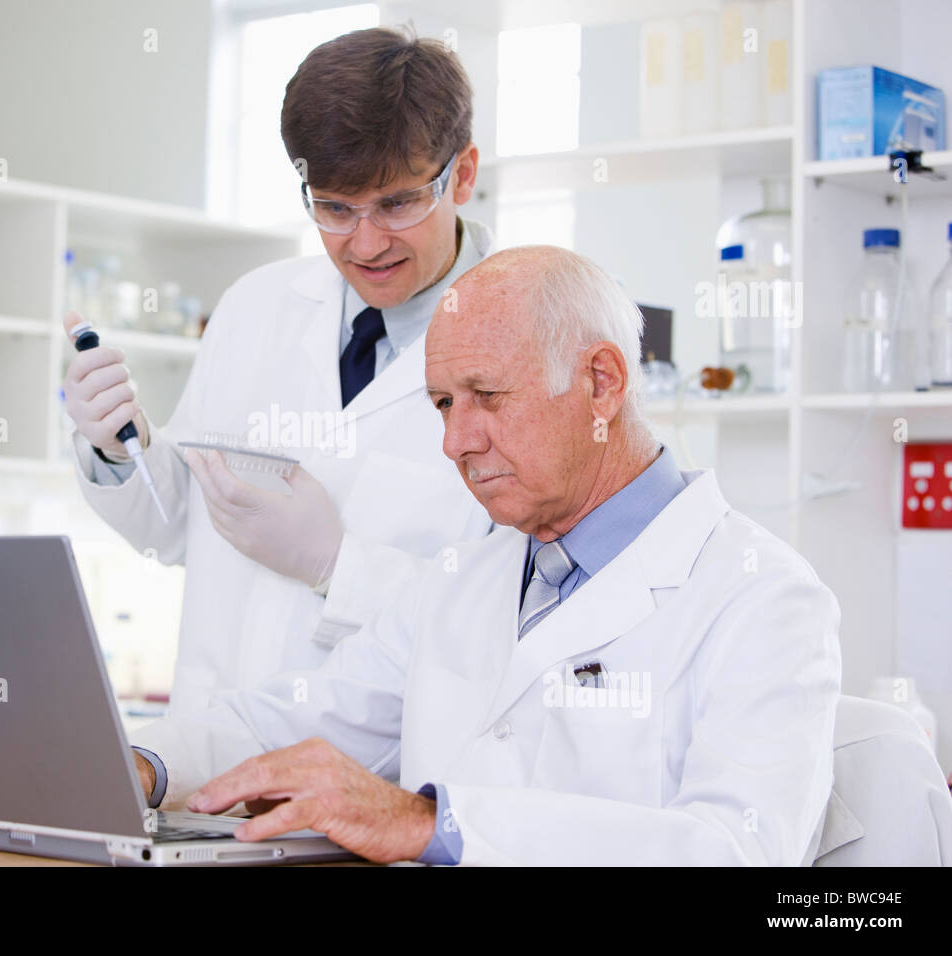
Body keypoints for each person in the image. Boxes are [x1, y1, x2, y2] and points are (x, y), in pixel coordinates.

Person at [126, 245, 844, 866]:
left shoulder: (766, 599)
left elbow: (737, 852)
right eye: (442, 403)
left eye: (486, 396)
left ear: (602, 382)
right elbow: (292, 723)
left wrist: (431, 826)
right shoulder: (463, 579)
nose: (456, 441)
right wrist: (144, 766)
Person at [63, 27, 494, 716]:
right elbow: (181, 529)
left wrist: (337, 566)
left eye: (397, 203)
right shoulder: (254, 307)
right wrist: (120, 446)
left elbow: (517, 620)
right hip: (209, 763)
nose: (366, 242)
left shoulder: (528, 340)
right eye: (333, 208)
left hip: (377, 783)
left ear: (462, 176)